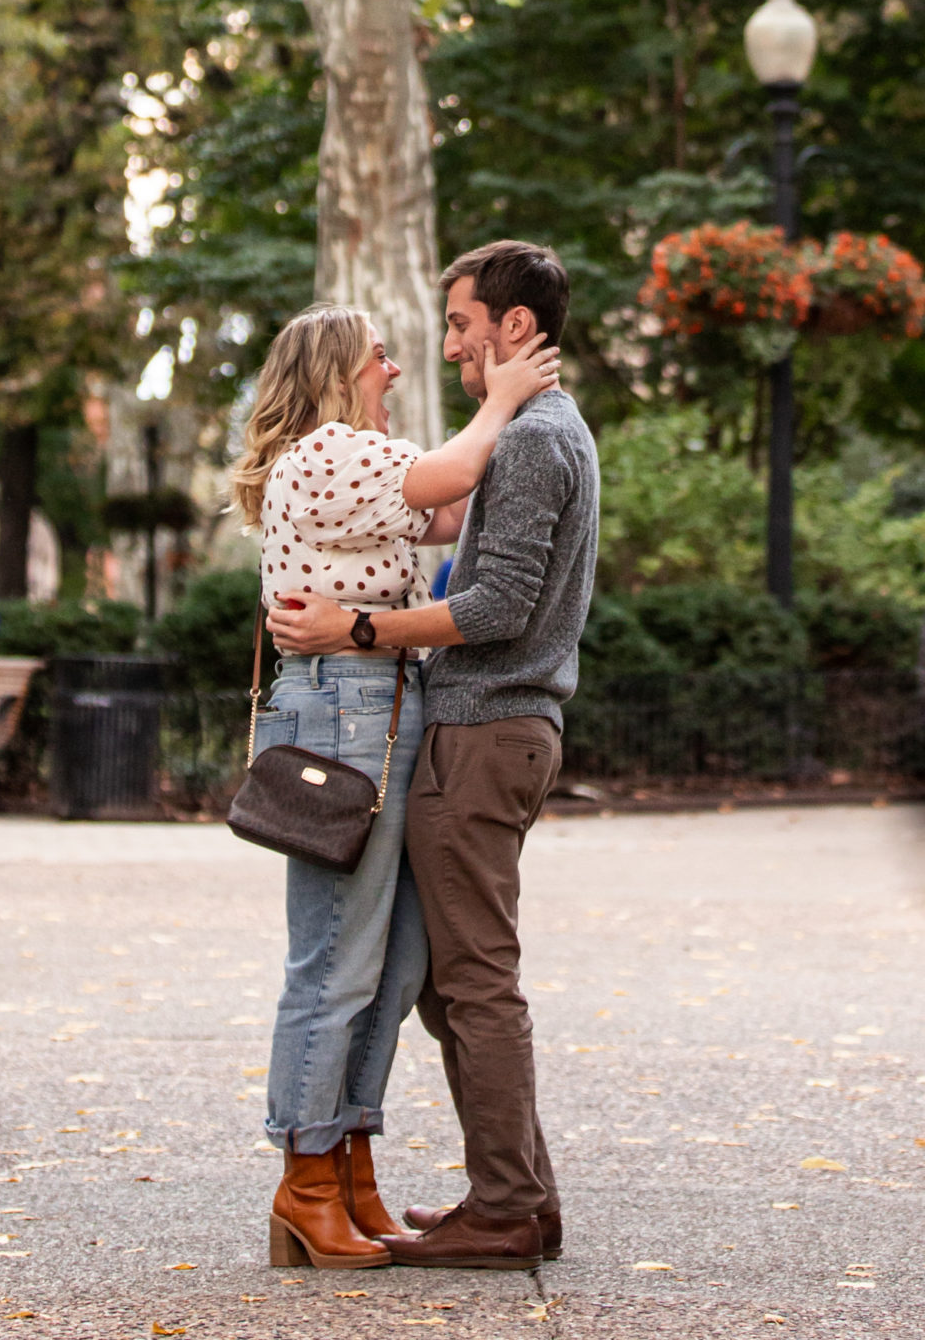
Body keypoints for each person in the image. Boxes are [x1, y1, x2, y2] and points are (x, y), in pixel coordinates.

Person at [267, 240, 600, 1271]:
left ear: (513, 327)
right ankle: (488, 1196)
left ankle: (505, 1207)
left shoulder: (533, 436)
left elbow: (493, 604)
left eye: (460, 323)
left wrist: (358, 629)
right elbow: (443, 502)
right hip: (459, 725)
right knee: (417, 972)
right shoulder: (525, 431)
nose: (443, 346)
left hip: (485, 729)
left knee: (466, 982)